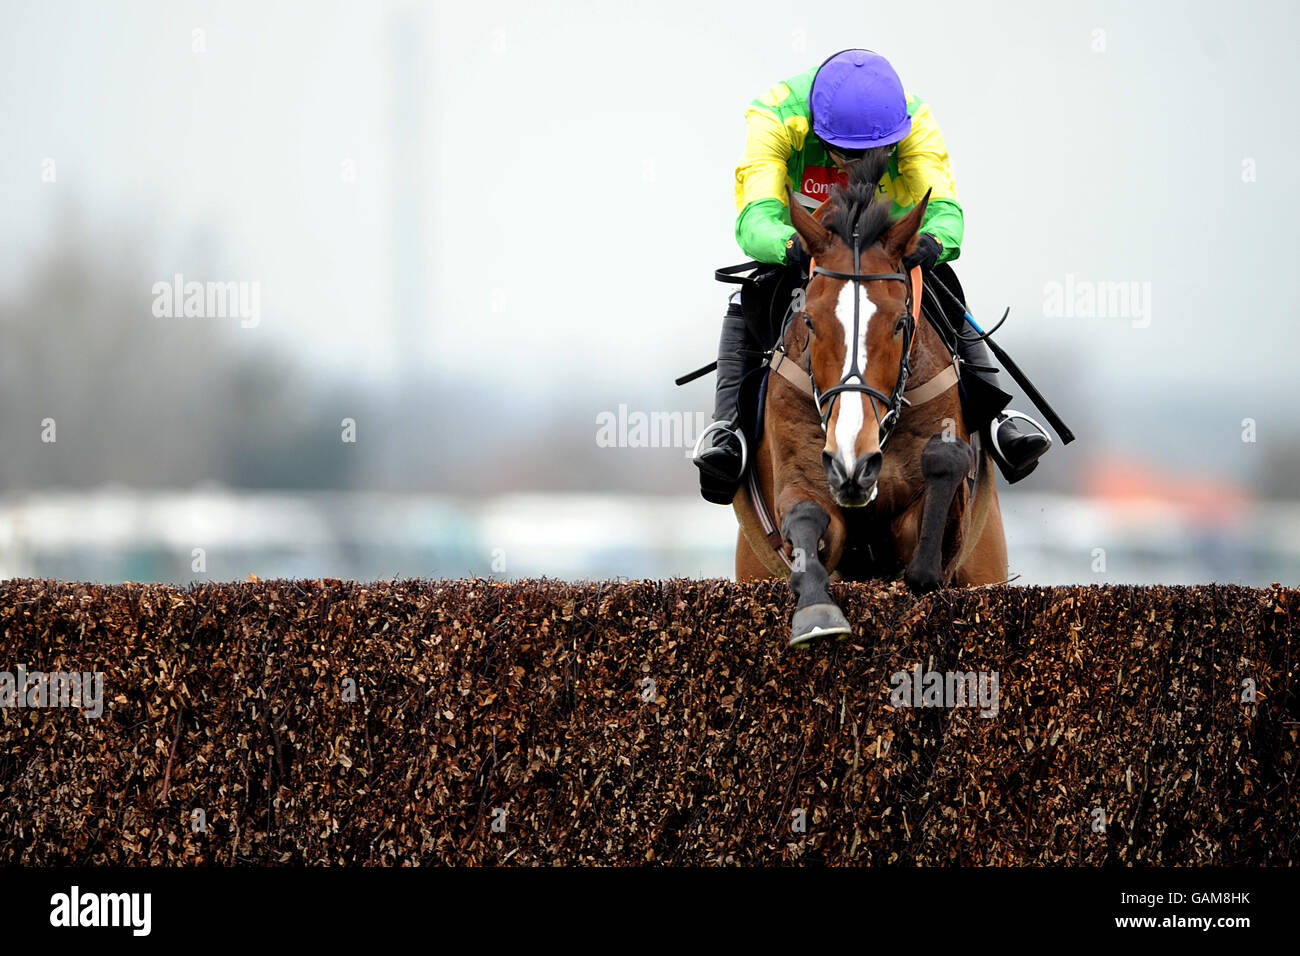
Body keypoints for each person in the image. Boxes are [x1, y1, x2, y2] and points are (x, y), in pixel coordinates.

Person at [694, 48, 1051, 505]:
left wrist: (934, 242)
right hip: (811, 239)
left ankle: (999, 420)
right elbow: (755, 218)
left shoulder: (914, 117)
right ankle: (728, 431)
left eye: (871, 152)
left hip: (886, 243)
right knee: (749, 298)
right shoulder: (774, 115)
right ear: (818, 132)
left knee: (943, 285)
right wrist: (793, 246)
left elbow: (945, 209)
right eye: (844, 152)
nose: (853, 163)